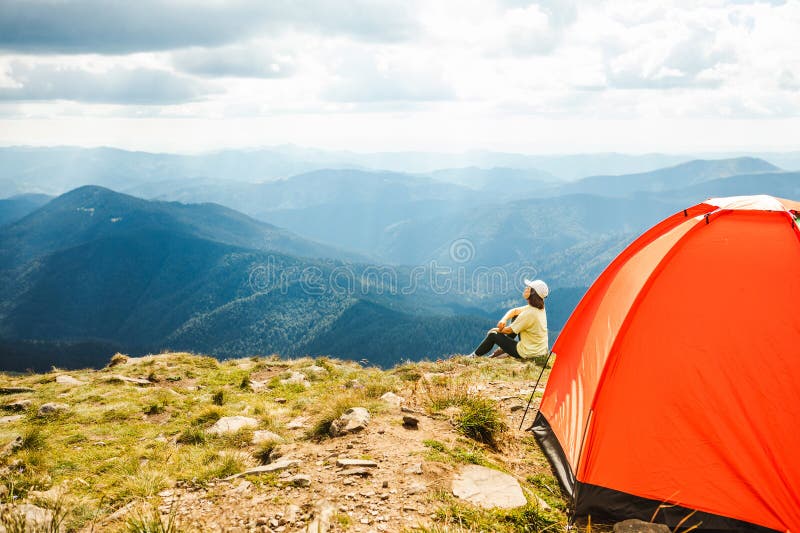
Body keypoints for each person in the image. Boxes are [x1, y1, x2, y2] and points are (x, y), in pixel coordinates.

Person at [467, 279, 549, 359]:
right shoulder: (539, 308)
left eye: (528, 288)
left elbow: (509, 330)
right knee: (516, 316)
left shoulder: (528, 314)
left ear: (532, 293)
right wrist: (504, 319)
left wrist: (494, 330)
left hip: (529, 353)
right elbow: (515, 311)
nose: (525, 288)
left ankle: (473, 356)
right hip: (539, 351)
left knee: (493, 335)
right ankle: (503, 350)